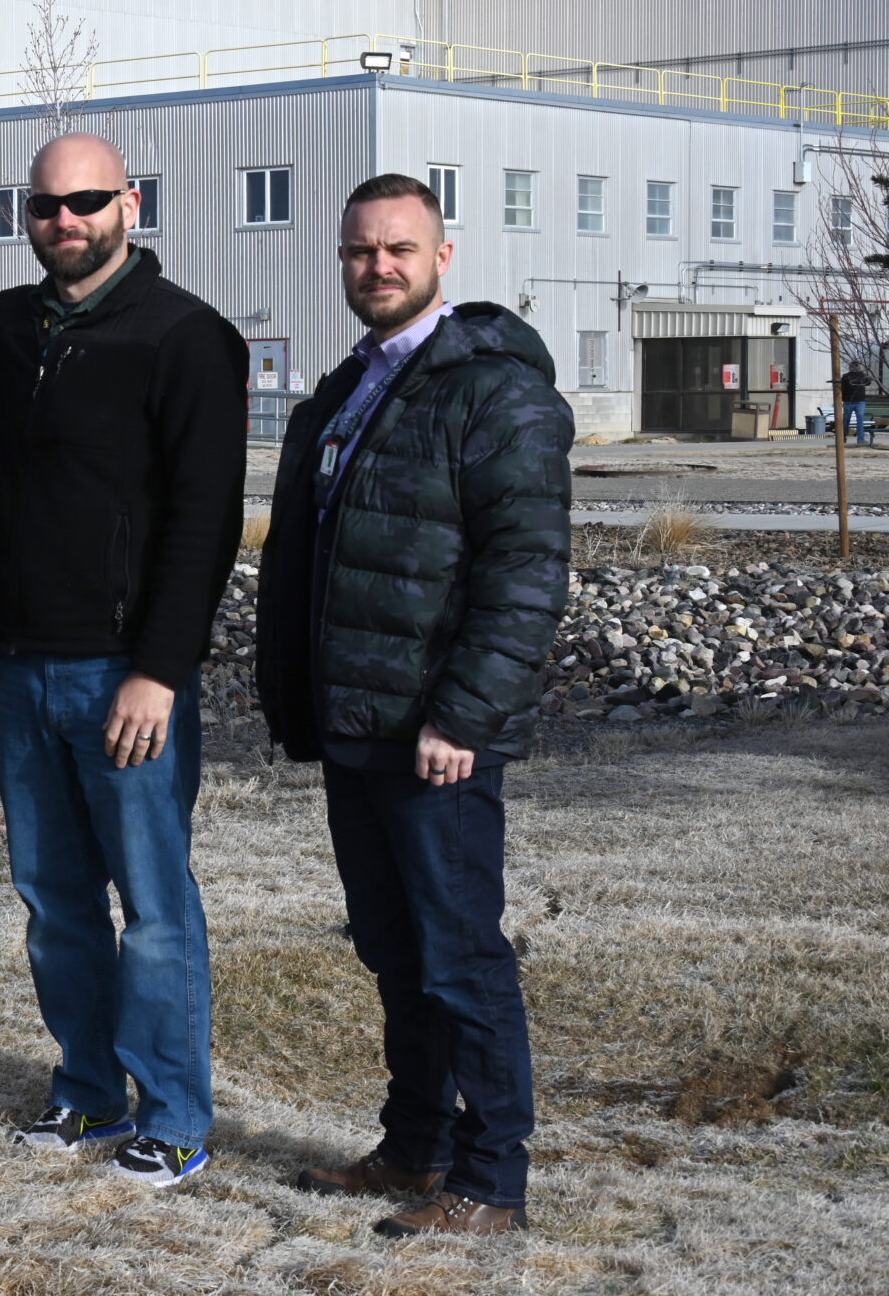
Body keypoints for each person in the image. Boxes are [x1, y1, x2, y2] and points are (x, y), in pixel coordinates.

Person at [258, 173, 570, 1237]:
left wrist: (463, 716)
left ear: (442, 256)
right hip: (361, 726)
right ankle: (415, 1144)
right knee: (394, 947)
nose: (376, 266)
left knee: (458, 949)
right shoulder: (354, 384)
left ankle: (492, 1176)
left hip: (435, 734)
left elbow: (524, 570)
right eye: (358, 251)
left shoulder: (490, 388)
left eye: (397, 248)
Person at [0, 133, 245, 1187]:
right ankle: (86, 1090)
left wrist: (158, 668)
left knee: (154, 908)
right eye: (44, 207)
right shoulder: (7, 328)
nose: (64, 221)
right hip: (25, 667)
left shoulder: (185, 338)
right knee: (53, 898)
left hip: (125, 674)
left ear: (129, 202)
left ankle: (172, 1113)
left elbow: (203, 520)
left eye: (85, 201)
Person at [842, 360, 873, 446]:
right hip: (859, 401)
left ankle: (843, 437)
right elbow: (868, 383)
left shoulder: (846, 376)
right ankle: (860, 439)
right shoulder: (862, 376)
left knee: (846, 421)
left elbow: (842, 388)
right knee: (860, 420)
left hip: (849, 401)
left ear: (850, 367)